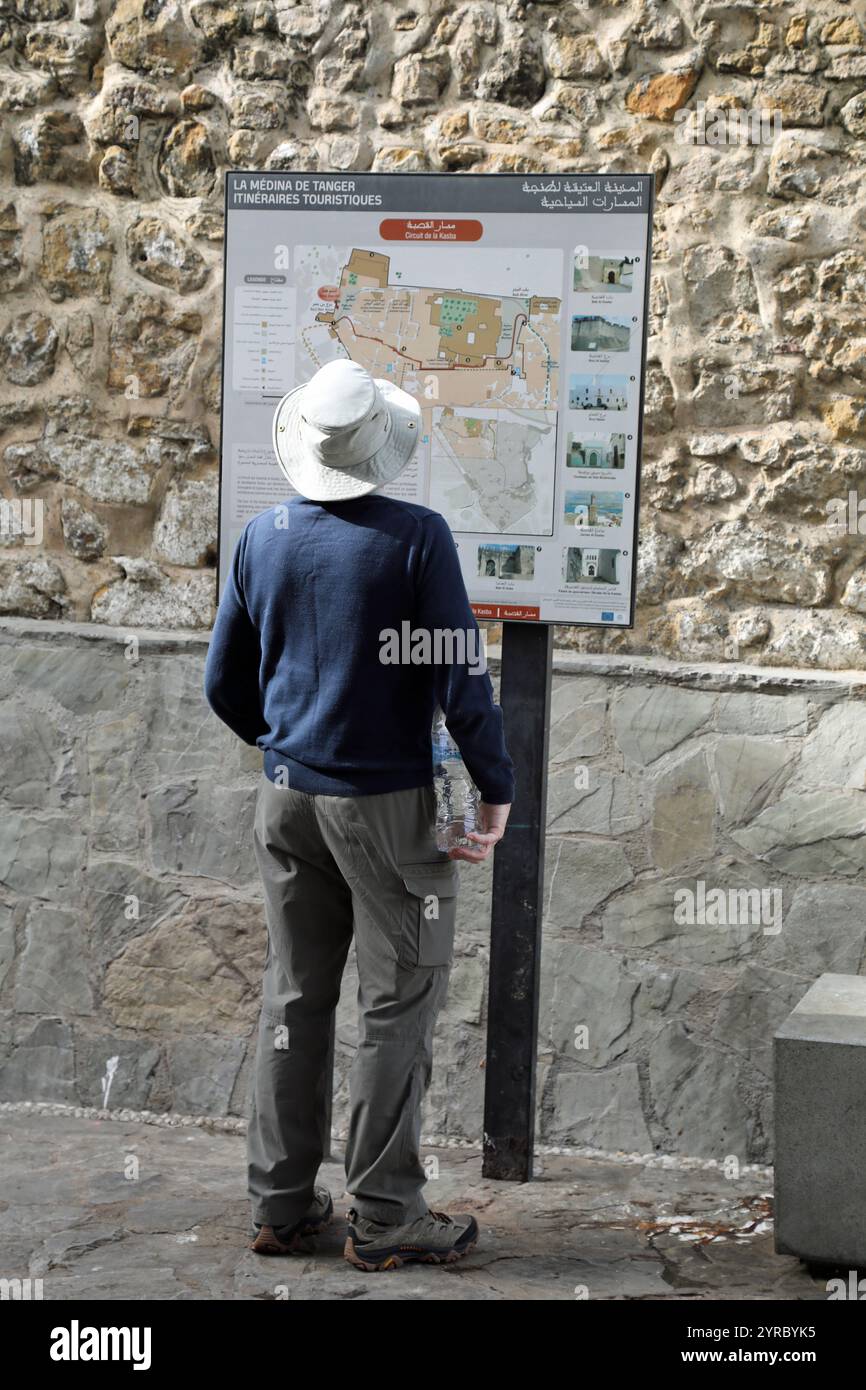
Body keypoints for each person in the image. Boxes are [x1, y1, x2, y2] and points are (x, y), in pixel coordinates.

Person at [204, 357, 515, 1272]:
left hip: (288, 796)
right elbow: (461, 678)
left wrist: (288, 744)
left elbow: (224, 682)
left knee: (295, 997)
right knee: (397, 1002)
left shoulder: (263, 537)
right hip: (386, 809)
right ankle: (385, 1214)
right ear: (382, 447)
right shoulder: (416, 538)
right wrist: (496, 789)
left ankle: (282, 1205)